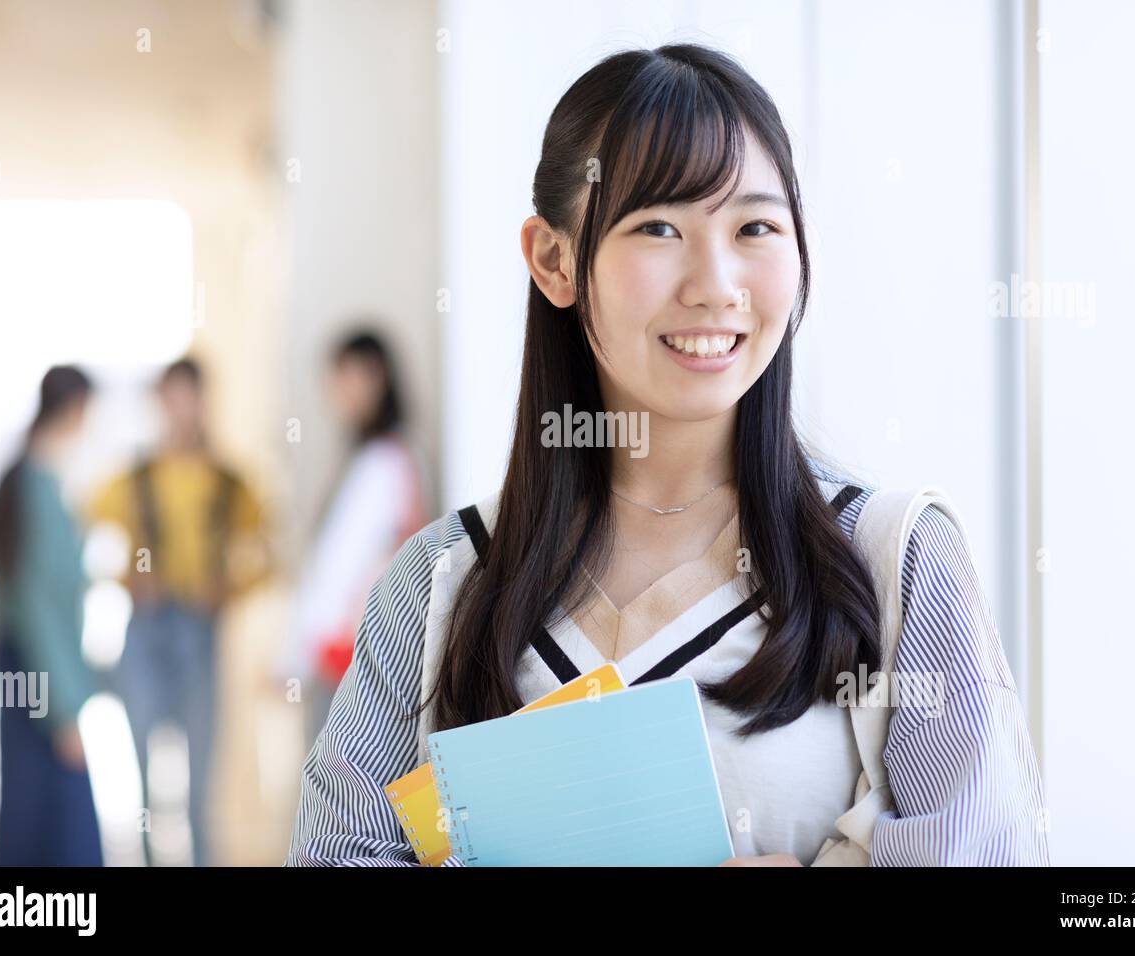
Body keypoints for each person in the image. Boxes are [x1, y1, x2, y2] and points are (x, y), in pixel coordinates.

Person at [286, 44, 1049, 867]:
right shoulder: (441, 583)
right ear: (554, 259)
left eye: (754, 226)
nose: (715, 283)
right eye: (657, 227)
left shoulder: (894, 561)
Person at [88, 356, 270, 866]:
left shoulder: (231, 482)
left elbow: (269, 554)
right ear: (160, 402)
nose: (182, 408)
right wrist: (127, 578)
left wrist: (229, 588)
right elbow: (87, 542)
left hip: (201, 630)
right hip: (145, 630)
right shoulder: (132, 478)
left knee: (200, 777)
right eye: (172, 396)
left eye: (191, 396)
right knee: (143, 773)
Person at [278, 329, 429, 748]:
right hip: (373, 656)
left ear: (376, 377)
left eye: (347, 376)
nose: (337, 392)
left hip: (350, 660)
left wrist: (294, 660)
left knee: (335, 799)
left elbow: (341, 568)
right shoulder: (397, 455)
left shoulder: (382, 462)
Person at [0, 364, 103, 866]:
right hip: (37, 675)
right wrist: (62, 712)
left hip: (28, 672)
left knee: (28, 809)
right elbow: (38, 611)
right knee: (58, 821)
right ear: (76, 409)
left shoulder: (28, 481)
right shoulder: (35, 490)